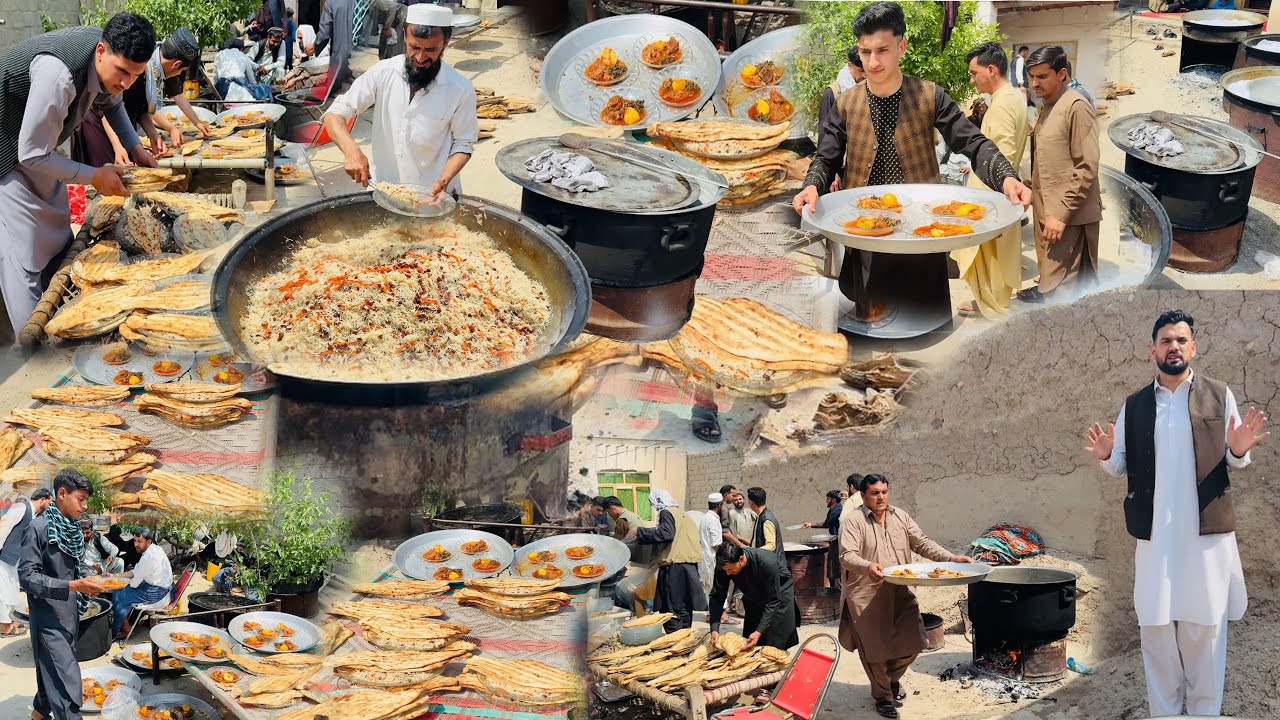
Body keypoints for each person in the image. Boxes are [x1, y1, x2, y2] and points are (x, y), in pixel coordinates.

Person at [793, 1, 1031, 326]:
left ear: (901, 47)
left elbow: (971, 142)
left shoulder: (930, 96)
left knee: (922, 328)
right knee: (870, 329)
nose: (873, 61)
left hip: (922, 236)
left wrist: (1005, 177)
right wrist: (812, 185)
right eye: (865, 52)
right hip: (867, 238)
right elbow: (827, 156)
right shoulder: (845, 103)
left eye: (883, 50)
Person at [1084, 310, 1269, 717]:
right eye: (1166, 341)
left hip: (1206, 541)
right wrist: (1104, 455)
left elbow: (1238, 460)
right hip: (1157, 542)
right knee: (1156, 632)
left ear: (1193, 348)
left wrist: (1238, 448)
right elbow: (1118, 465)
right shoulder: (1134, 405)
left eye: (1181, 340)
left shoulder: (1219, 395)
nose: (1174, 347)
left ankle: (1204, 714)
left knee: (1205, 631)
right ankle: (1165, 714)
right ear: (1153, 350)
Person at [0, 13, 156, 345]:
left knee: (56, 239)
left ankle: (59, 308)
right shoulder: (58, 75)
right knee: (22, 252)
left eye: (136, 75)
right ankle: (35, 347)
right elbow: (30, 154)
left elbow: (114, 104)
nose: (127, 82)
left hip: (34, 146)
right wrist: (94, 176)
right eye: (123, 72)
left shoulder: (104, 61)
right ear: (101, 51)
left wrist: (134, 147)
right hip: (8, 153)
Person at [839, 474, 974, 719]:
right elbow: (847, 556)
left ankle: (890, 681)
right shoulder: (853, 521)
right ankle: (883, 697)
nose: (880, 497)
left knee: (914, 642)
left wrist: (950, 558)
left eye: (884, 492)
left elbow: (921, 542)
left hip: (902, 588)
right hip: (865, 594)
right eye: (874, 493)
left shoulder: (899, 516)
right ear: (863, 495)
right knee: (875, 650)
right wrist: (868, 565)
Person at [325, 4, 478, 199]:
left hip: (433, 197)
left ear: (445, 42)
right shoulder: (383, 72)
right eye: (414, 47)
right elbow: (335, 113)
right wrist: (351, 150)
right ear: (405, 37)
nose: (421, 58)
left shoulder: (460, 88)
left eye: (430, 49)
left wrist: (444, 180)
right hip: (384, 191)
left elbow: (463, 144)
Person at [1016, 45, 1100, 305]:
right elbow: (1043, 157)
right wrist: (1028, 187)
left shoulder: (1076, 107)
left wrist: (1061, 216)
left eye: (1042, 76)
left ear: (1061, 74)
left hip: (1068, 217)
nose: (1034, 83)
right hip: (1047, 211)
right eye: (1031, 77)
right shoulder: (1046, 107)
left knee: (1067, 291)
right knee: (1051, 279)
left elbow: (1087, 166)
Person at [20, 470, 107, 720]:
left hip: (70, 617)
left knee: (52, 675)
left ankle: (38, 714)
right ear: (62, 494)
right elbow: (27, 577)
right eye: (80, 499)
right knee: (67, 688)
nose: (85, 505)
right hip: (49, 621)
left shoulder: (71, 528)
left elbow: (73, 570)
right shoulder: (39, 528)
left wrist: (90, 581)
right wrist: (73, 586)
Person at [954, 41, 1031, 319]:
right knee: (993, 257)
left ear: (991, 69)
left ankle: (990, 306)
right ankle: (988, 302)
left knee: (989, 258)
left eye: (975, 73)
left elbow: (1004, 158)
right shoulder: (1012, 99)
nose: (972, 79)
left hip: (993, 198)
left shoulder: (1000, 107)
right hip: (995, 196)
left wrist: (997, 208)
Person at [72, 28, 206, 168]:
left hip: (121, 127)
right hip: (100, 126)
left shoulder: (156, 72)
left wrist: (153, 135)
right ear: (176, 64)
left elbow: (140, 109)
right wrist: (118, 146)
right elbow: (108, 108)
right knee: (106, 177)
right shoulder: (138, 70)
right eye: (182, 71)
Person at [634, 489, 707, 632]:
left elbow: (667, 534)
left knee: (670, 606)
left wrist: (640, 532)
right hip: (689, 566)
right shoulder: (682, 513)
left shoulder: (665, 512)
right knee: (685, 606)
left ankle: (673, 639)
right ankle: (685, 636)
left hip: (674, 567)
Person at [709, 543, 800, 654]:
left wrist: (759, 631)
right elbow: (717, 595)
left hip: (778, 592)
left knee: (774, 643)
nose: (728, 573)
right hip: (752, 594)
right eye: (725, 570)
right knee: (749, 643)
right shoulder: (724, 567)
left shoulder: (767, 562)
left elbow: (773, 600)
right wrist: (714, 628)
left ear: (741, 559)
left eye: (731, 569)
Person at [0, 489, 54, 637]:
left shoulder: (34, 515)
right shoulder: (22, 507)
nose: (50, 506)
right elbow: (3, 526)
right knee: (3, 593)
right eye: (50, 502)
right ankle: (5, 628)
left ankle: (11, 622)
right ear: (42, 499)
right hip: (4, 557)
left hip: (14, 561)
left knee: (12, 591)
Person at [111, 527, 172, 639]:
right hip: (164, 588)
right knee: (123, 586)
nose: (136, 544)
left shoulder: (148, 557)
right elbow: (136, 571)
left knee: (119, 592)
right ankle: (130, 621)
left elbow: (134, 583)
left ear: (149, 541)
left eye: (139, 541)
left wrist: (120, 582)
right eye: (135, 540)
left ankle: (126, 628)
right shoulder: (156, 548)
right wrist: (114, 575)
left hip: (158, 594)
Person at [818, 49, 865, 194]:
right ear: (850, 66)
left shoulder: (870, 88)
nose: (865, 75)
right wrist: (833, 173)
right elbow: (826, 138)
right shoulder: (832, 93)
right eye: (861, 70)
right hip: (841, 171)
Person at [307, 0, 355, 97]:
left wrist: (315, 46)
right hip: (364, 59)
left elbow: (324, 33)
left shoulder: (332, 2)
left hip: (340, 63)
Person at [803, 490, 844, 590]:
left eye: (828, 499)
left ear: (834, 500)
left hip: (838, 543)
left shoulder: (840, 510)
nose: (826, 501)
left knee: (835, 572)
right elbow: (827, 524)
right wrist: (811, 525)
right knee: (831, 571)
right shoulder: (832, 510)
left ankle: (838, 595)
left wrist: (833, 537)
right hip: (833, 542)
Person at [746, 487, 784, 567]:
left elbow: (771, 545)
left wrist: (754, 552)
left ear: (751, 502)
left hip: (769, 565)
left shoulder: (766, 519)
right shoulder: (760, 516)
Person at [697, 493, 725, 592]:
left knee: (708, 590)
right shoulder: (713, 520)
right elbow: (716, 544)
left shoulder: (704, 518)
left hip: (704, 559)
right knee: (715, 590)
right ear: (719, 505)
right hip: (711, 560)